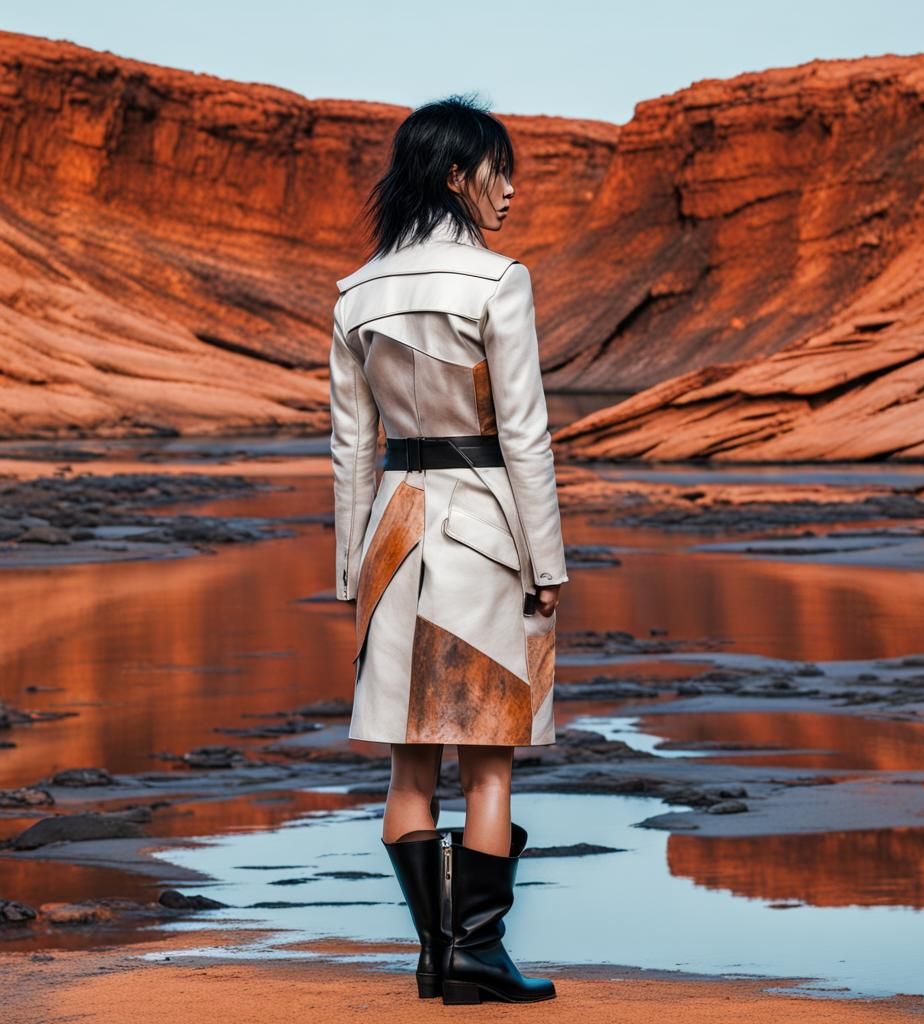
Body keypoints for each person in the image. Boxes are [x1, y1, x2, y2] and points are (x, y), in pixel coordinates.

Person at [328, 93, 568, 1005]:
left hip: (394, 529)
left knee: (409, 761)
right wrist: (548, 564)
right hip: (485, 528)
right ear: (456, 174)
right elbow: (527, 436)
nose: (510, 190)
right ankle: (476, 955)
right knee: (491, 754)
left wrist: (351, 567)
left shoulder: (355, 292)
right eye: (497, 170)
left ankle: (436, 957)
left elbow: (351, 446)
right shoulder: (498, 280)